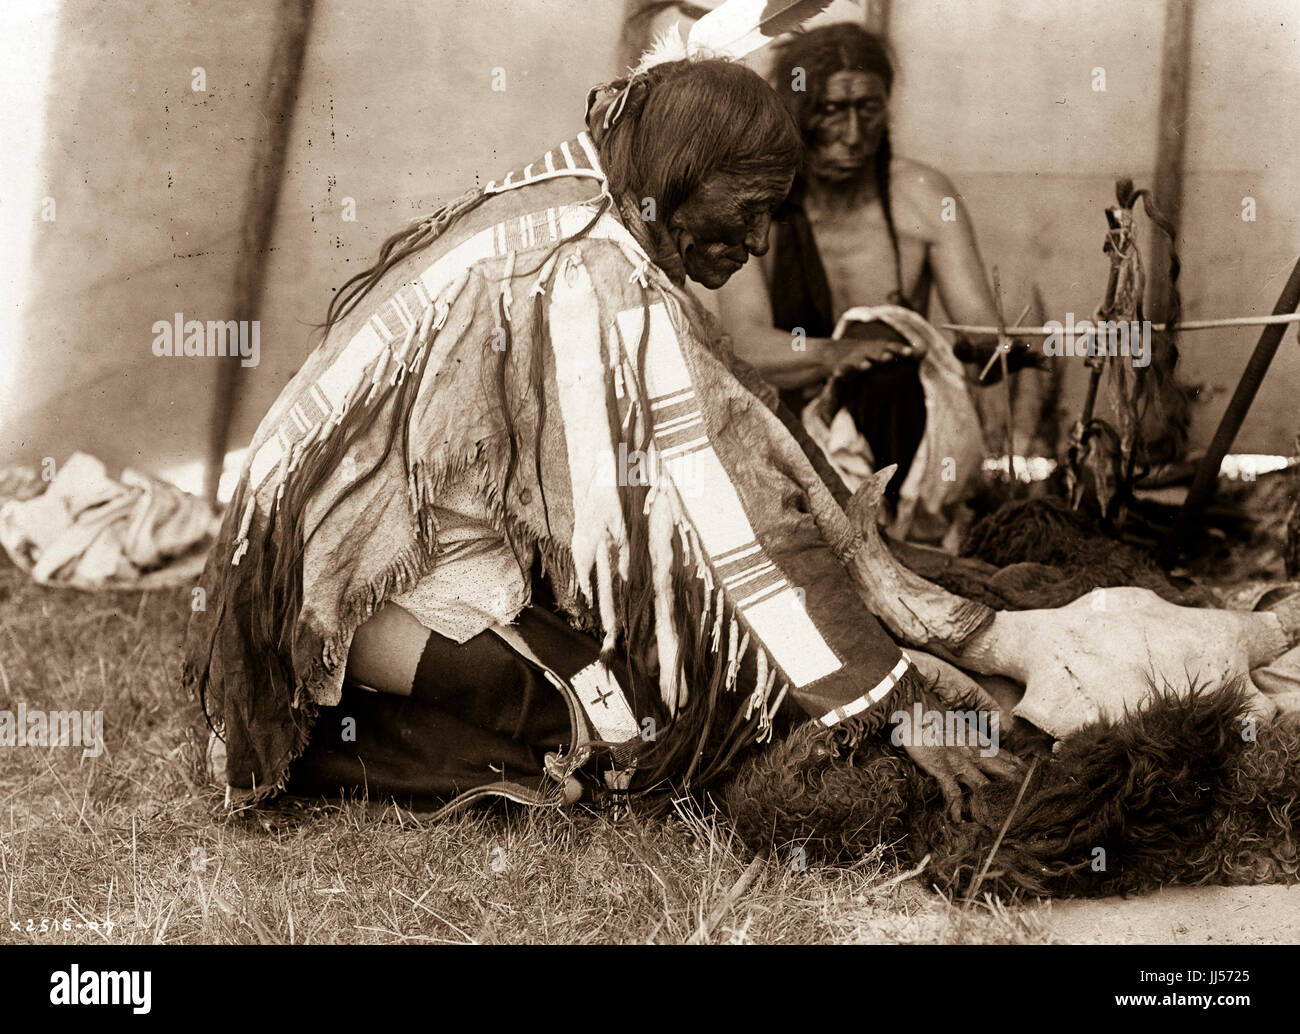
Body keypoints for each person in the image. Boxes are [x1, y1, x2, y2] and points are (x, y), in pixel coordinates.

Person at [184, 54, 1017, 821]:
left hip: (411, 548)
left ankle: (400, 715)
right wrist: (885, 695)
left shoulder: (582, 202)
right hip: (330, 586)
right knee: (626, 736)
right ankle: (326, 730)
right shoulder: (596, 266)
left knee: (630, 685)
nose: (762, 239)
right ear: (688, 173)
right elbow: (735, 521)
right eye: (752, 207)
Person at [717, 23, 1037, 543]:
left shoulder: (923, 196)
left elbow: (979, 335)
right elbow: (746, 345)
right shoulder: (760, 203)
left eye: (867, 109)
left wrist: (1015, 348)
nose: (851, 134)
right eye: (829, 111)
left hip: (905, 438)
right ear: (794, 114)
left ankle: (912, 532)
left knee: (889, 383)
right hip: (791, 444)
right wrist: (833, 355)